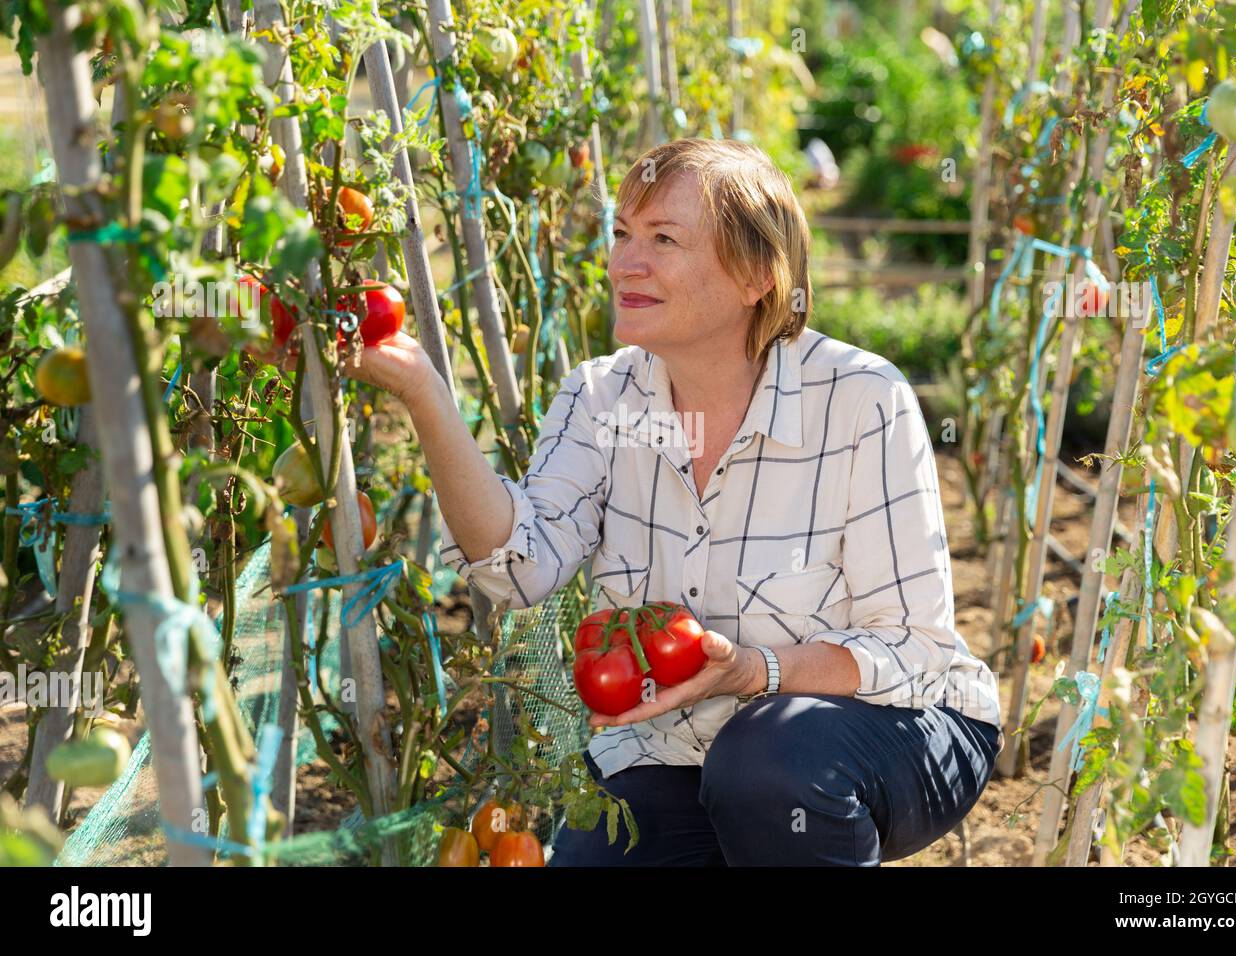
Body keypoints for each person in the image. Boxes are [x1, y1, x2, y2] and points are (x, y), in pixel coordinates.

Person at [351, 137, 1003, 866]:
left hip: (891, 728)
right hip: (676, 747)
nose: (626, 262)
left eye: (664, 239)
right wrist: (427, 399)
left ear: (759, 273)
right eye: (623, 235)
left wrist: (756, 670)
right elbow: (516, 568)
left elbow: (912, 647)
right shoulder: (601, 398)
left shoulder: (860, 401)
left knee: (766, 766)